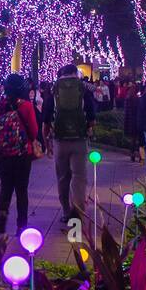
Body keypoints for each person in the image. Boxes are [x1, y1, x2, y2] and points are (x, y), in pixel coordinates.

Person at [0, 73, 40, 233]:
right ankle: (21, 225)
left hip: (3, 152)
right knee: (21, 190)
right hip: (23, 153)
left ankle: (2, 213)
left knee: (6, 187)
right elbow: (34, 131)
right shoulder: (26, 105)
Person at [48, 64, 95, 224]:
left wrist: (47, 139)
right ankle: (78, 212)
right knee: (79, 177)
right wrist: (89, 127)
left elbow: (46, 117)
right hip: (80, 140)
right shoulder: (83, 88)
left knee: (63, 177)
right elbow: (92, 113)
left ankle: (66, 211)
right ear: (76, 73)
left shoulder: (54, 88)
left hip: (60, 140)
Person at [123, 82, 142, 163]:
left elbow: (126, 111)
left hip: (131, 121)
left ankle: (132, 155)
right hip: (138, 120)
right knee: (140, 139)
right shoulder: (138, 99)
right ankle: (141, 156)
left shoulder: (128, 98)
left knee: (133, 139)